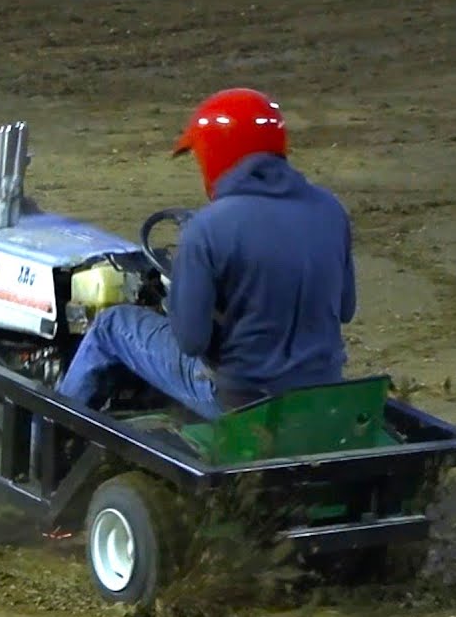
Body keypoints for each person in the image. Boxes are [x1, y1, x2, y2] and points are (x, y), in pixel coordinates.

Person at [53, 87, 357, 421]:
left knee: (111, 326)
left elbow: (191, 342)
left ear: (216, 154)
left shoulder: (208, 228)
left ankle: (49, 440)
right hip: (323, 391)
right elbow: (345, 309)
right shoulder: (330, 209)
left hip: (240, 400)